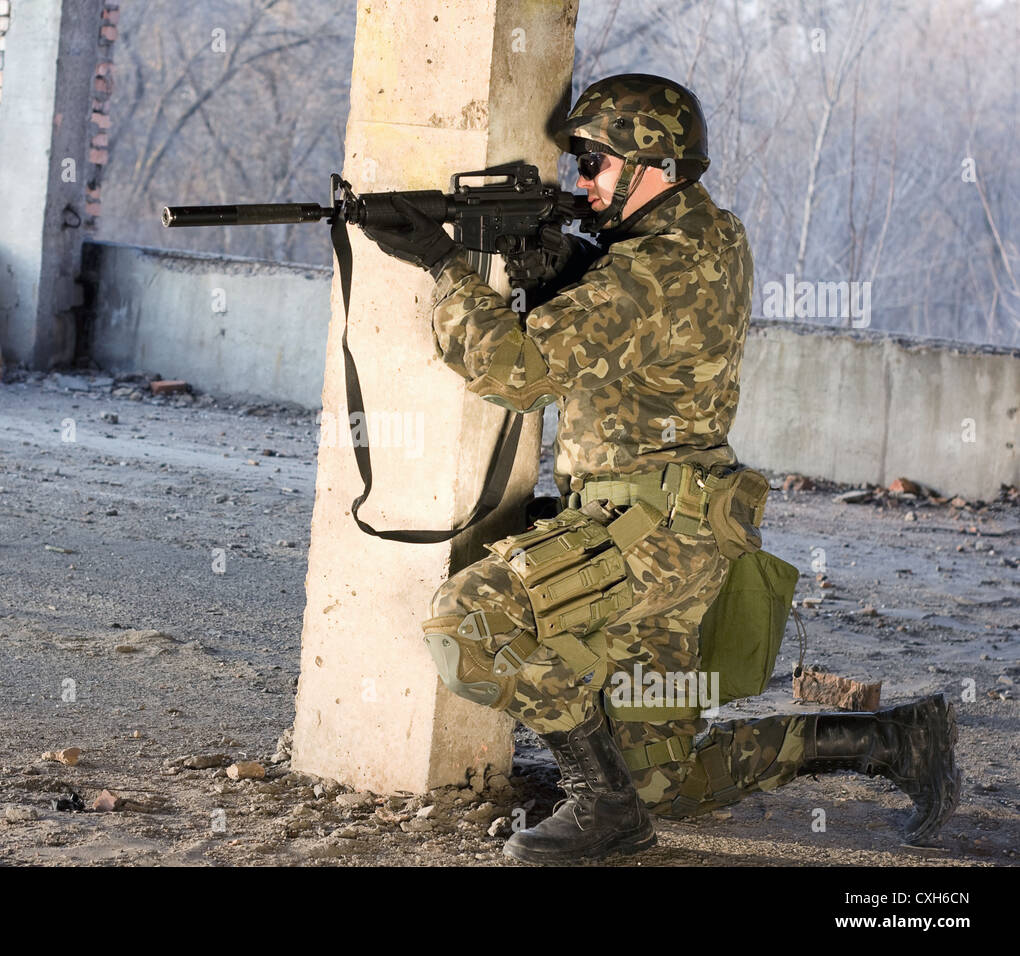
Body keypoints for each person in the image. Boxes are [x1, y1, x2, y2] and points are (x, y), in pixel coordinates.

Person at [360, 73, 960, 864]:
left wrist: (442, 264)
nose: (581, 180)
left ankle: (602, 808)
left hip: (642, 538)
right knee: (664, 782)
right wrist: (562, 263)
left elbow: (521, 368)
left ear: (658, 166)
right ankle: (890, 740)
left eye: (596, 163)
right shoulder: (708, 236)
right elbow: (631, 323)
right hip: (683, 530)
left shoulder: (650, 270)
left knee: (468, 624)